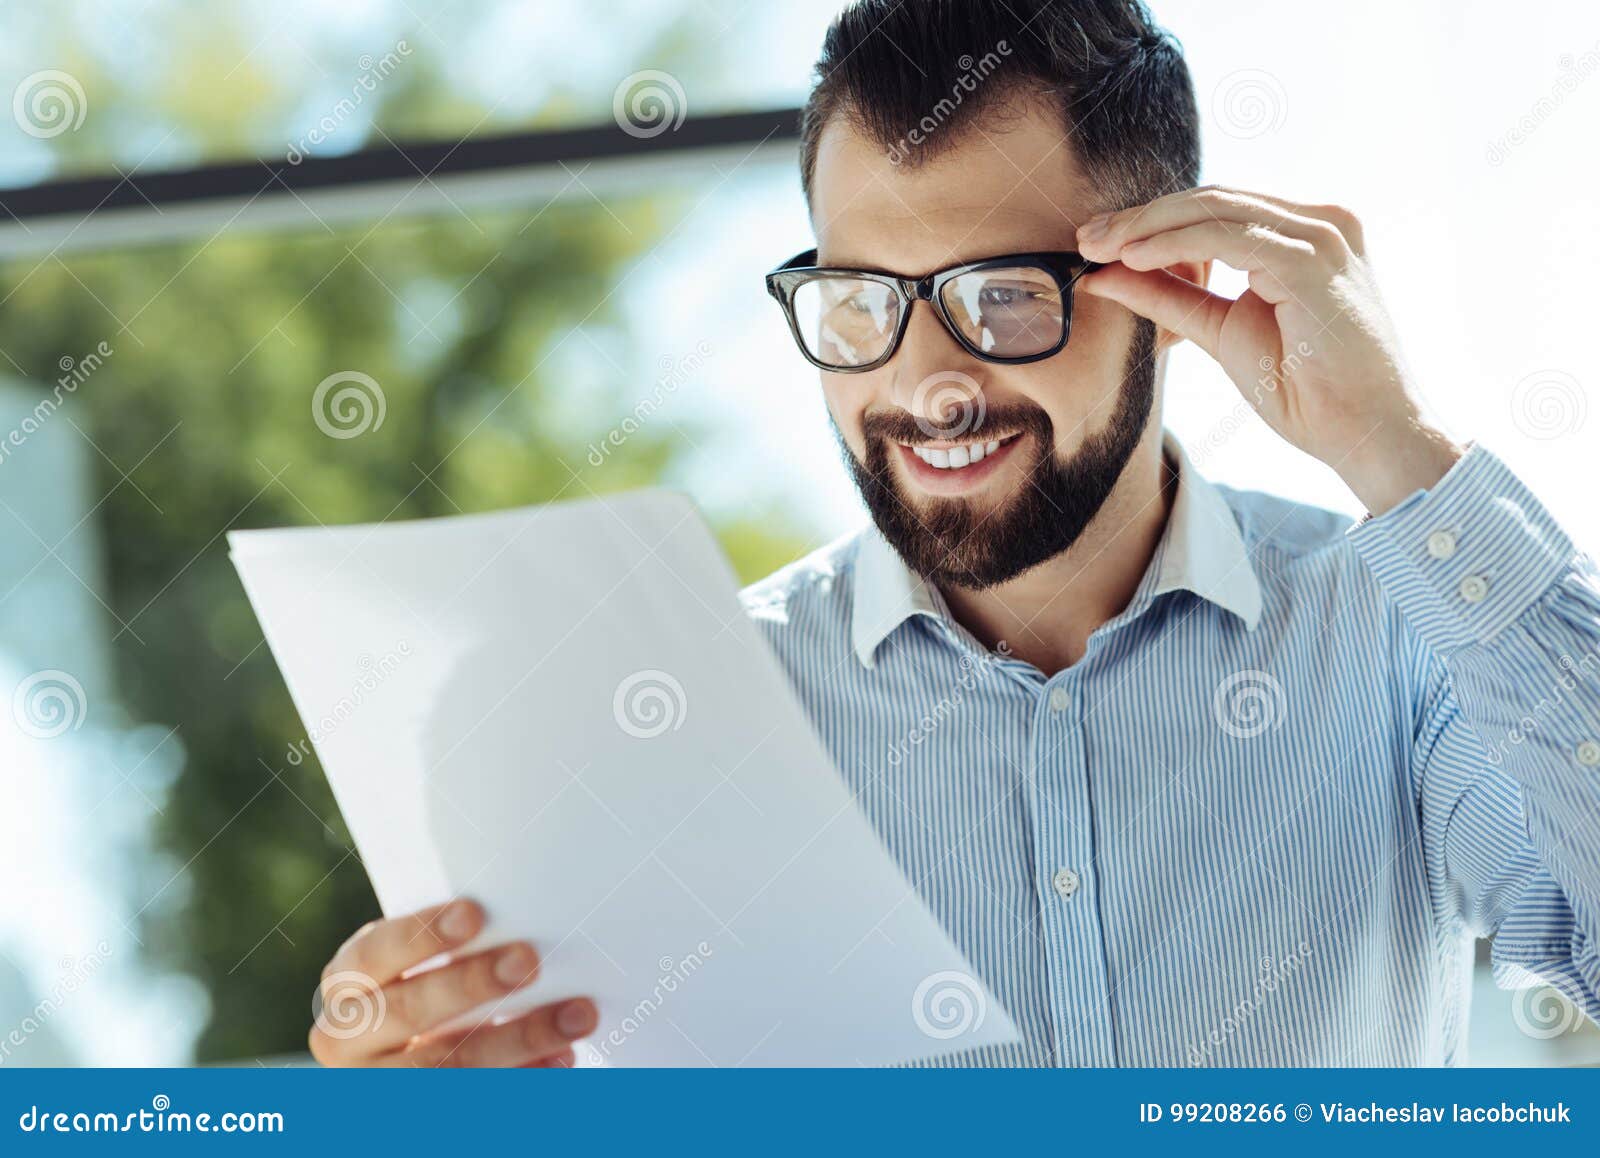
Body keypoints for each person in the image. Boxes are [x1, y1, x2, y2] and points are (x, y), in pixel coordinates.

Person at [309, 0, 1600, 1067]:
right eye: (860, 298)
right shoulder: (684, 712)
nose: (926, 381)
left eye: (999, 294)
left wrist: (1396, 450)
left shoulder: (1394, 630)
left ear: (1175, 287)